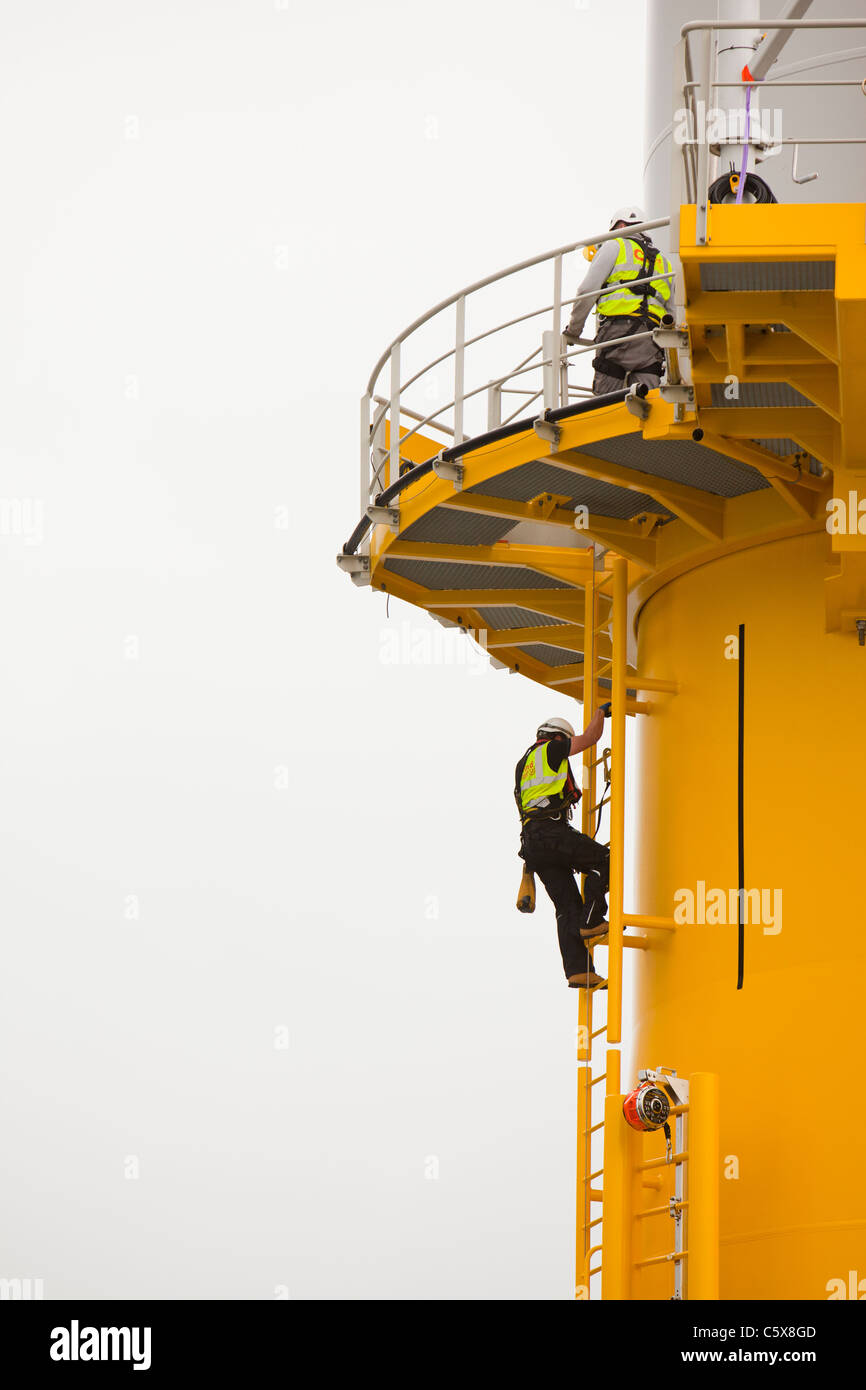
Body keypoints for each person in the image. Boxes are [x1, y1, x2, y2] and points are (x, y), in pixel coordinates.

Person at [515, 711, 611, 989]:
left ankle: (578, 971)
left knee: (566, 906)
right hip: (551, 833)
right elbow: (591, 737)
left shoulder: (524, 763)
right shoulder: (553, 749)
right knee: (604, 861)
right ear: (558, 737)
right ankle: (592, 919)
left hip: (533, 844)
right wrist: (601, 714)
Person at [563, 206, 673, 396]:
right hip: (652, 340)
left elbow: (587, 290)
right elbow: (674, 313)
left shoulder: (615, 245)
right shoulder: (665, 263)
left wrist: (574, 329)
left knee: (606, 405)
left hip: (617, 335)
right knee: (647, 407)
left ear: (621, 225)